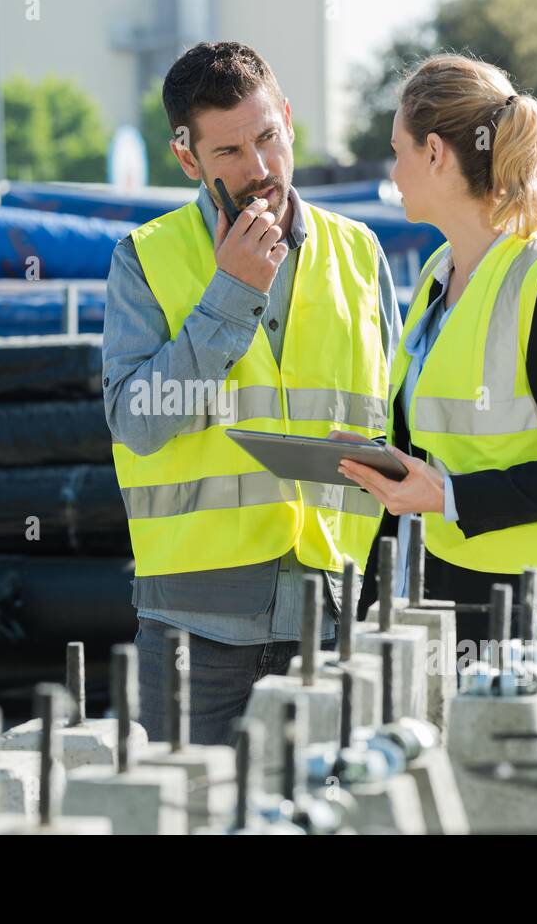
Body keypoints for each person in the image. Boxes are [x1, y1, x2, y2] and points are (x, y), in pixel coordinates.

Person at [101, 41, 400, 745]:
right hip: (192, 630)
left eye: (268, 137)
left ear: (289, 119)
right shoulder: (144, 258)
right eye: (230, 152)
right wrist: (229, 297)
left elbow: (393, 420)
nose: (260, 169)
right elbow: (138, 423)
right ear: (187, 158)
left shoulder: (360, 254)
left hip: (332, 618)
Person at [338, 54, 537, 651]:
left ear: (434, 153)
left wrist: (448, 496)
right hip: (439, 590)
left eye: (398, 150)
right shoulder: (435, 276)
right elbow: (436, 445)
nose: (393, 171)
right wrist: (386, 462)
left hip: (532, 609)